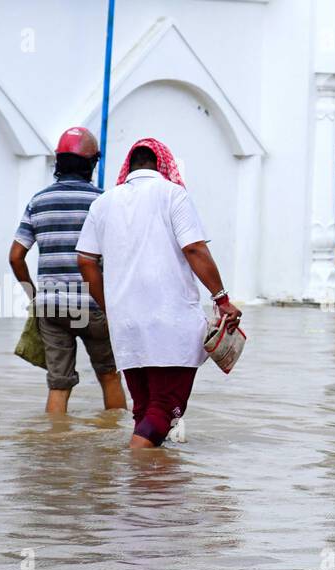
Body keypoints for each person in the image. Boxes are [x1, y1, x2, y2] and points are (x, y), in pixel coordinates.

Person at [74, 138, 242, 449]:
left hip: (126, 325)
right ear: (163, 166)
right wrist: (222, 298)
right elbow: (193, 248)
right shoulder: (173, 195)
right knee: (163, 410)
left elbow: (85, 260)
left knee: (144, 411)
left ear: (129, 168)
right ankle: (135, 469)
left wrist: (109, 306)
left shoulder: (104, 203)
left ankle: (146, 492)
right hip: (170, 324)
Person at [9, 126, 126, 414]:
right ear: (92, 163)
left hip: (51, 307)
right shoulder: (103, 202)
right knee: (109, 375)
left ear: (58, 163)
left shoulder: (38, 202)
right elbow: (121, 256)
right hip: (94, 305)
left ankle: (53, 451)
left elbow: (15, 257)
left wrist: (34, 296)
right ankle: (116, 449)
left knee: (58, 384)